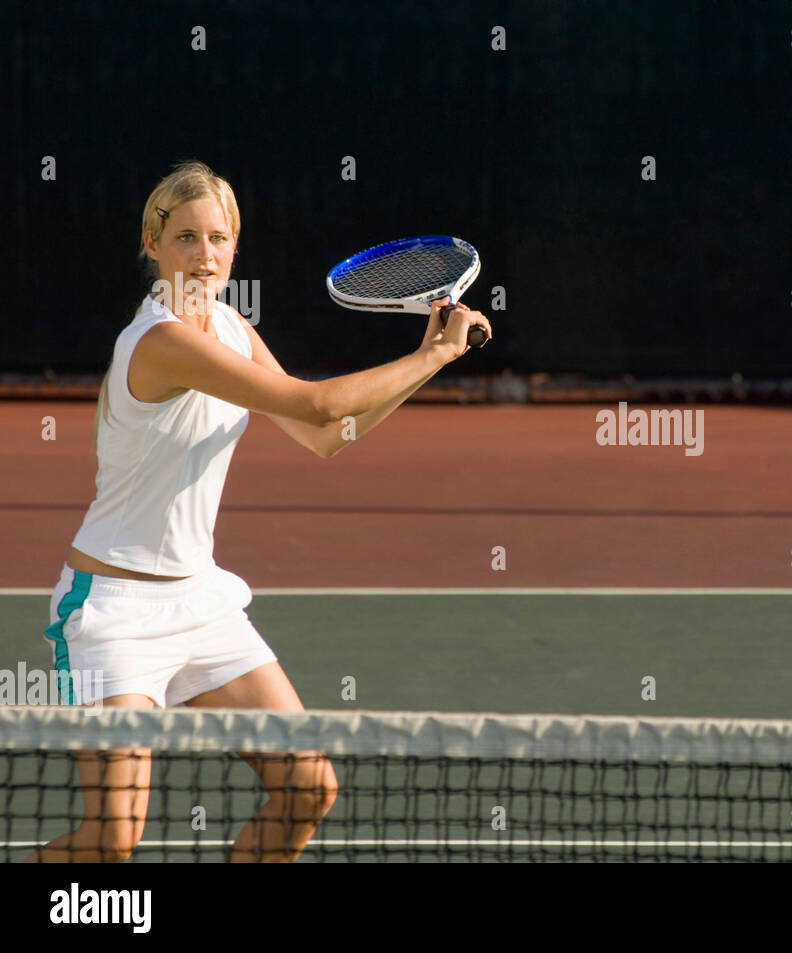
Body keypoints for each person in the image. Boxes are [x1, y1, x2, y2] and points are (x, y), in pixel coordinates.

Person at [30, 160, 491, 862]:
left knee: (308, 787)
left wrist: (430, 359)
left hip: (201, 603)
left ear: (235, 247)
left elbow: (326, 438)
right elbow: (317, 402)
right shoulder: (159, 342)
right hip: (112, 611)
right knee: (112, 838)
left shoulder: (231, 327)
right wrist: (435, 350)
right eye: (186, 237)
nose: (205, 254)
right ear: (153, 244)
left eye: (218, 238)